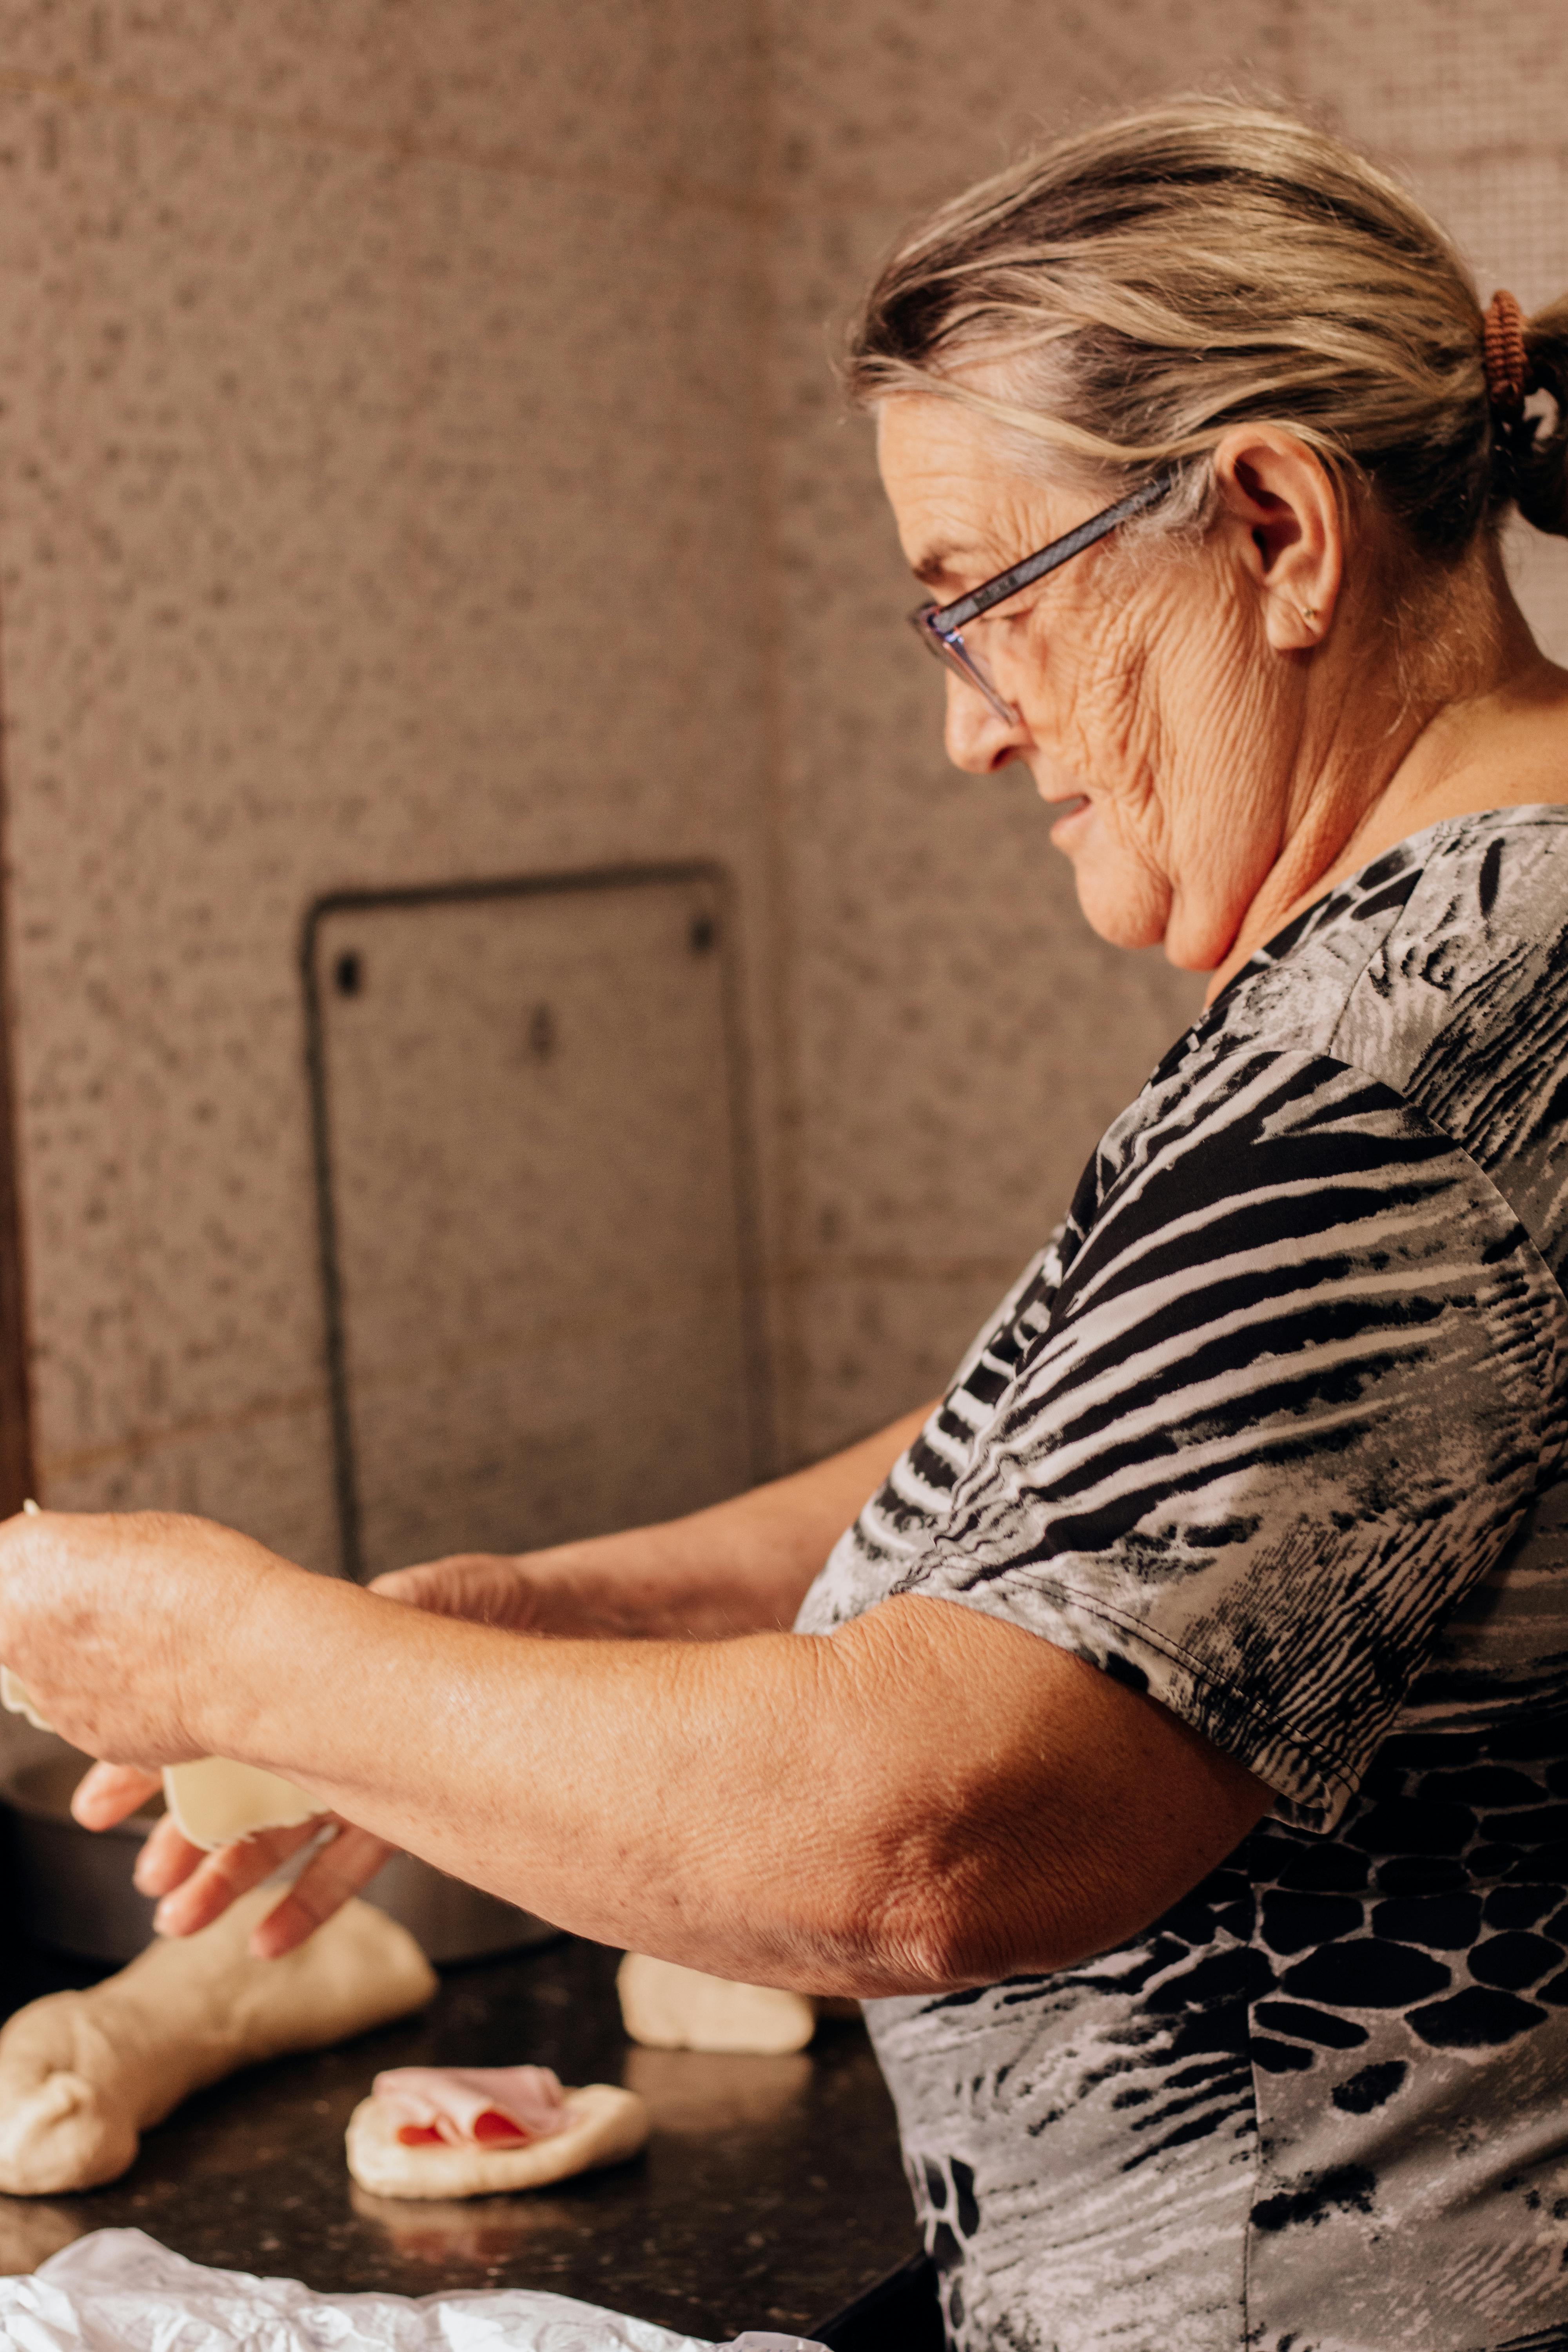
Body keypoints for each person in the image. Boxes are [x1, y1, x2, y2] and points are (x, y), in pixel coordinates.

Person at [6, 93, 1568, 2352]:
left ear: (1269, 528)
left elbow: (923, 1838)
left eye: (985, 606)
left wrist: (236, 1655)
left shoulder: (1426, 1043)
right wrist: (531, 1617)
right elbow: (1108, 1486)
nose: (971, 734)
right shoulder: (1430, 965)